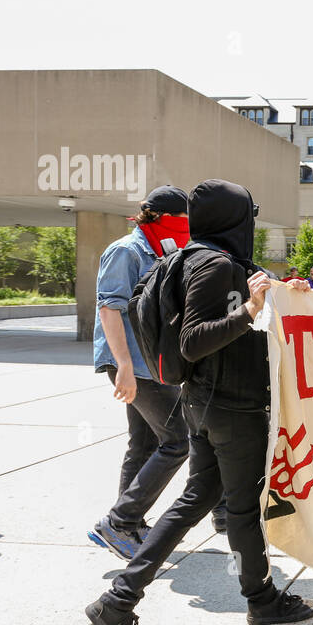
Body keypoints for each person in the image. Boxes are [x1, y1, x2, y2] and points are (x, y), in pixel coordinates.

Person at [86, 180, 313, 625]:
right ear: (234, 220)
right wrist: (251, 311)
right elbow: (194, 339)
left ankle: (118, 600)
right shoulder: (212, 264)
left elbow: (244, 287)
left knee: (197, 500)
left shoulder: (201, 255)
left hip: (205, 403)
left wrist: (283, 292)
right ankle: (262, 600)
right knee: (241, 510)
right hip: (230, 406)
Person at [88, 186, 225, 559]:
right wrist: (125, 368)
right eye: (182, 222)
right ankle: (119, 521)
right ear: (158, 218)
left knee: (145, 443)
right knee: (177, 440)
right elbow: (109, 309)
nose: (186, 230)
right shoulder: (125, 251)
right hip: (134, 363)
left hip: (151, 362)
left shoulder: (162, 249)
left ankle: (126, 525)